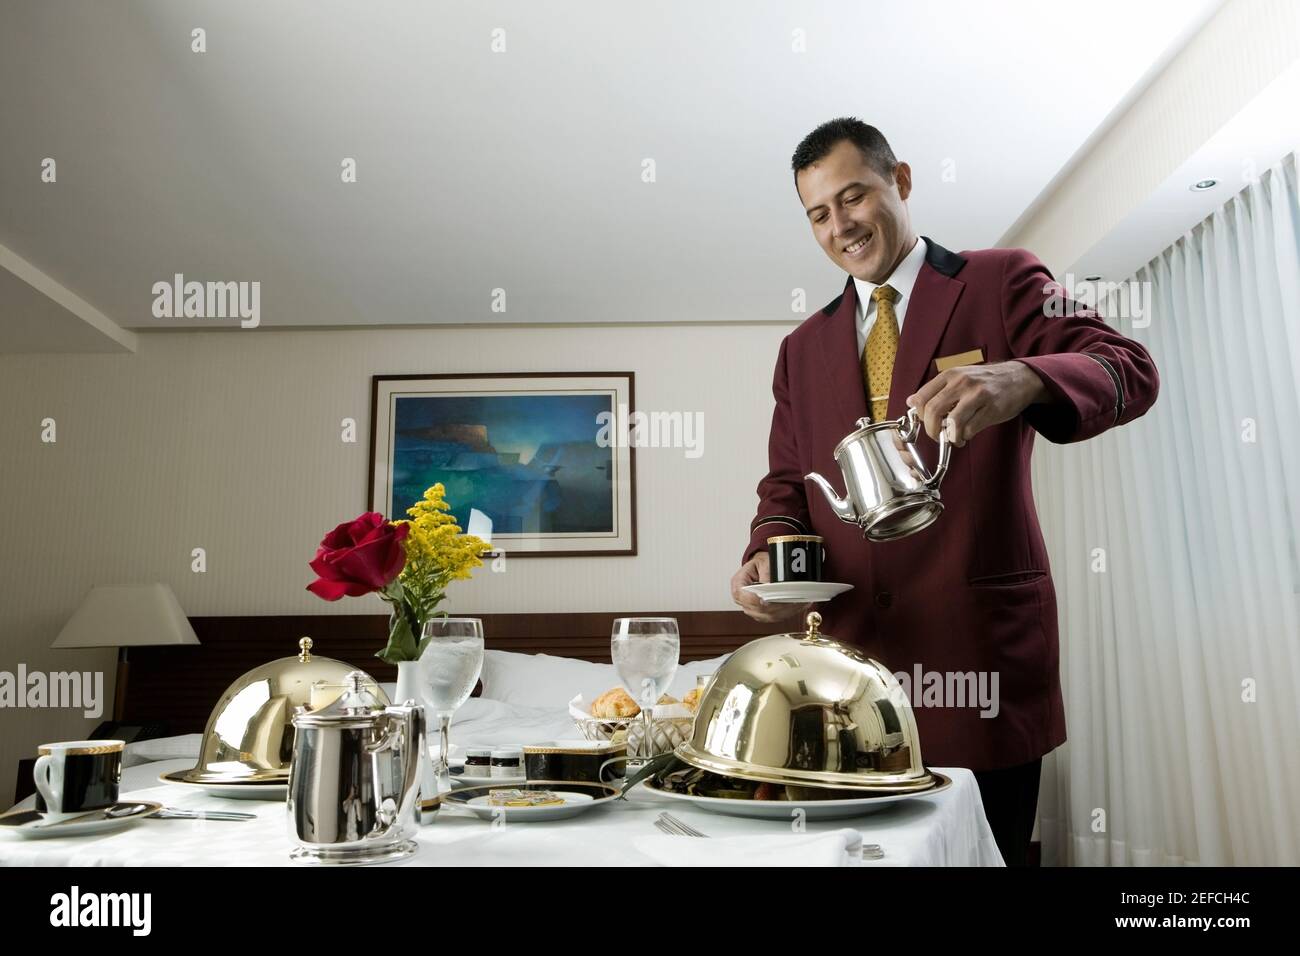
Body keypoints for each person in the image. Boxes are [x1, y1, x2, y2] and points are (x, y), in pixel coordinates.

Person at [730, 118, 1159, 866]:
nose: (841, 226)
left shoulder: (1000, 281)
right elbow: (787, 486)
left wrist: (1023, 377)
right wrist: (767, 554)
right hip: (849, 679)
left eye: (853, 196)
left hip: (983, 663)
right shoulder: (800, 350)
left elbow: (1129, 367)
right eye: (819, 214)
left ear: (900, 180)